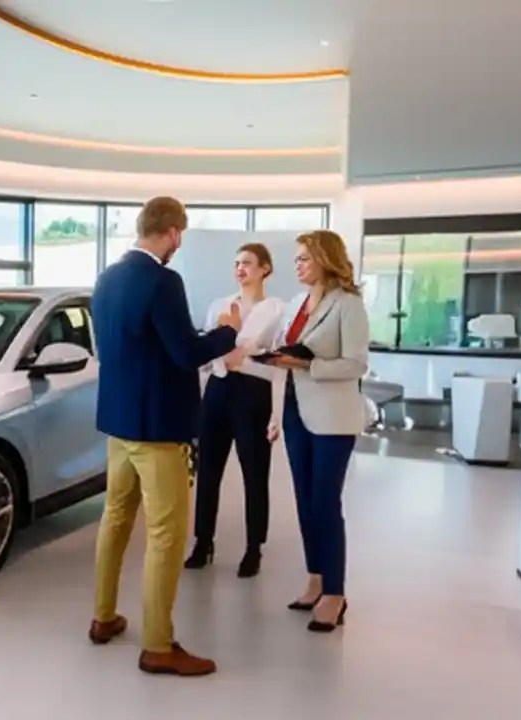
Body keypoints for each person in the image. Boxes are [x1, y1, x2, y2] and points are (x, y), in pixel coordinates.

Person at [89, 196, 241, 676]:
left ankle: (104, 617)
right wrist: (226, 332)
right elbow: (183, 354)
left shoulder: (107, 277)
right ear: (174, 232)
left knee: (115, 519)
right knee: (166, 534)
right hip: (158, 429)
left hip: (118, 423)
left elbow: (140, 345)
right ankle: (158, 644)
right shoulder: (164, 279)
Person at [262, 230, 369, 633]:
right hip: (294, 411)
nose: (298, 264)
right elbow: (287, 358)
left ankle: (336, 593)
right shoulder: (294, 305)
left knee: (325, 502)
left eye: (305, 257)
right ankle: (315, 579)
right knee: (305, 502)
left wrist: (308, 365)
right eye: (297, 258)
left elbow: (357, 364)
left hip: (332, 418)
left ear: (326, 259)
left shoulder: (348, 305)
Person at [185, 244, 287, 578]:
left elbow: (274, 358)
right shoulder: (219, 304)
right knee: (209, 470)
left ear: (265, 269)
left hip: (253, 393)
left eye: (247, 263)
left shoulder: (276, 309)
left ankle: (253, 547)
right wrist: (229, 355)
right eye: (236, 263)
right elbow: (208, 345)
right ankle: (203, 541)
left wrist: (242, 354)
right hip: (218, 389)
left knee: (254, 471)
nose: (240, 268)